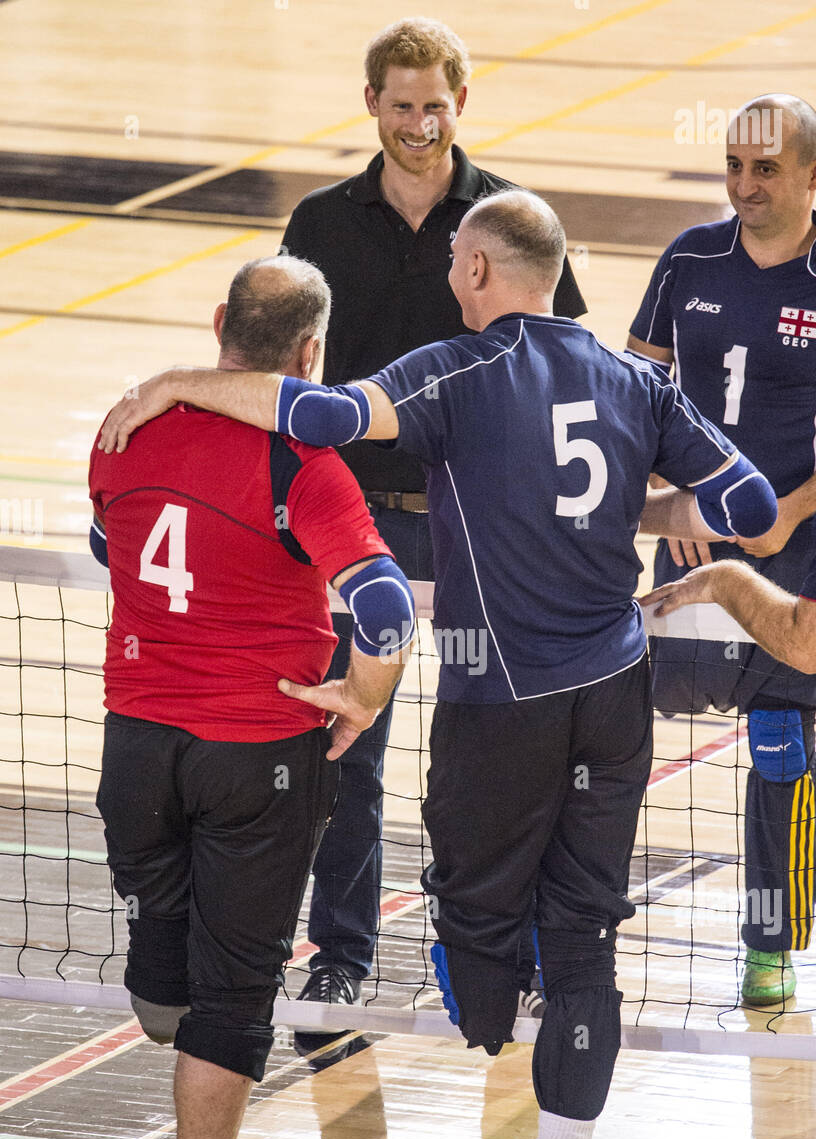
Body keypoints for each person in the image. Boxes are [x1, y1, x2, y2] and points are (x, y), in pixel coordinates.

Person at [96, 190, 777, 1139]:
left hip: (495, 703)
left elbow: (317, 416)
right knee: (585, 939)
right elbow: (745, 509)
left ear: (474, 271)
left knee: (475, 943)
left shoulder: (456, 368)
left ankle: (493, 993)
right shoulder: (638, 382)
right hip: (612, 696)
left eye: (458, 260)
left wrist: (181, 380)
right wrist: (629, 520)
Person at [89, 255, 415, 1139]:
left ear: (219, 321)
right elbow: (386, 607)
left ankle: (158, 972)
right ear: (311, 355)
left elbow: (109, 547)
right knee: (234, 998)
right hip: (256, 756)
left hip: (135, 745)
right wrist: (362, 694)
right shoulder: (302, 468)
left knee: (176, 968)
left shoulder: (127, 425)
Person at [281, 17, 586, 1045]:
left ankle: (528, 961)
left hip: (476, 530)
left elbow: (561, 358)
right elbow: (291, 376)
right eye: (400, 104)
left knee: (503, 746)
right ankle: (340, 966)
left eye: (434, 104)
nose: (418, 123)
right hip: (354, 538)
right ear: (371, 103)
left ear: (462, 104)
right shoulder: (320, 223)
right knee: (346, 744)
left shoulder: (507, 220)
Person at [627, 93, 816, 1006]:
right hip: (686, 539)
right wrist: (664, 501)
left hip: (798, 551)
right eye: (732, 165)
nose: (742, 184)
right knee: (615, 730)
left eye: (763, 168)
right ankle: (581, 912)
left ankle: (770, 944)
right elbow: (637, 389)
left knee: (778, 739)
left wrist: (795, 510)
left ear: (813, 174)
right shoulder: (688, 257)